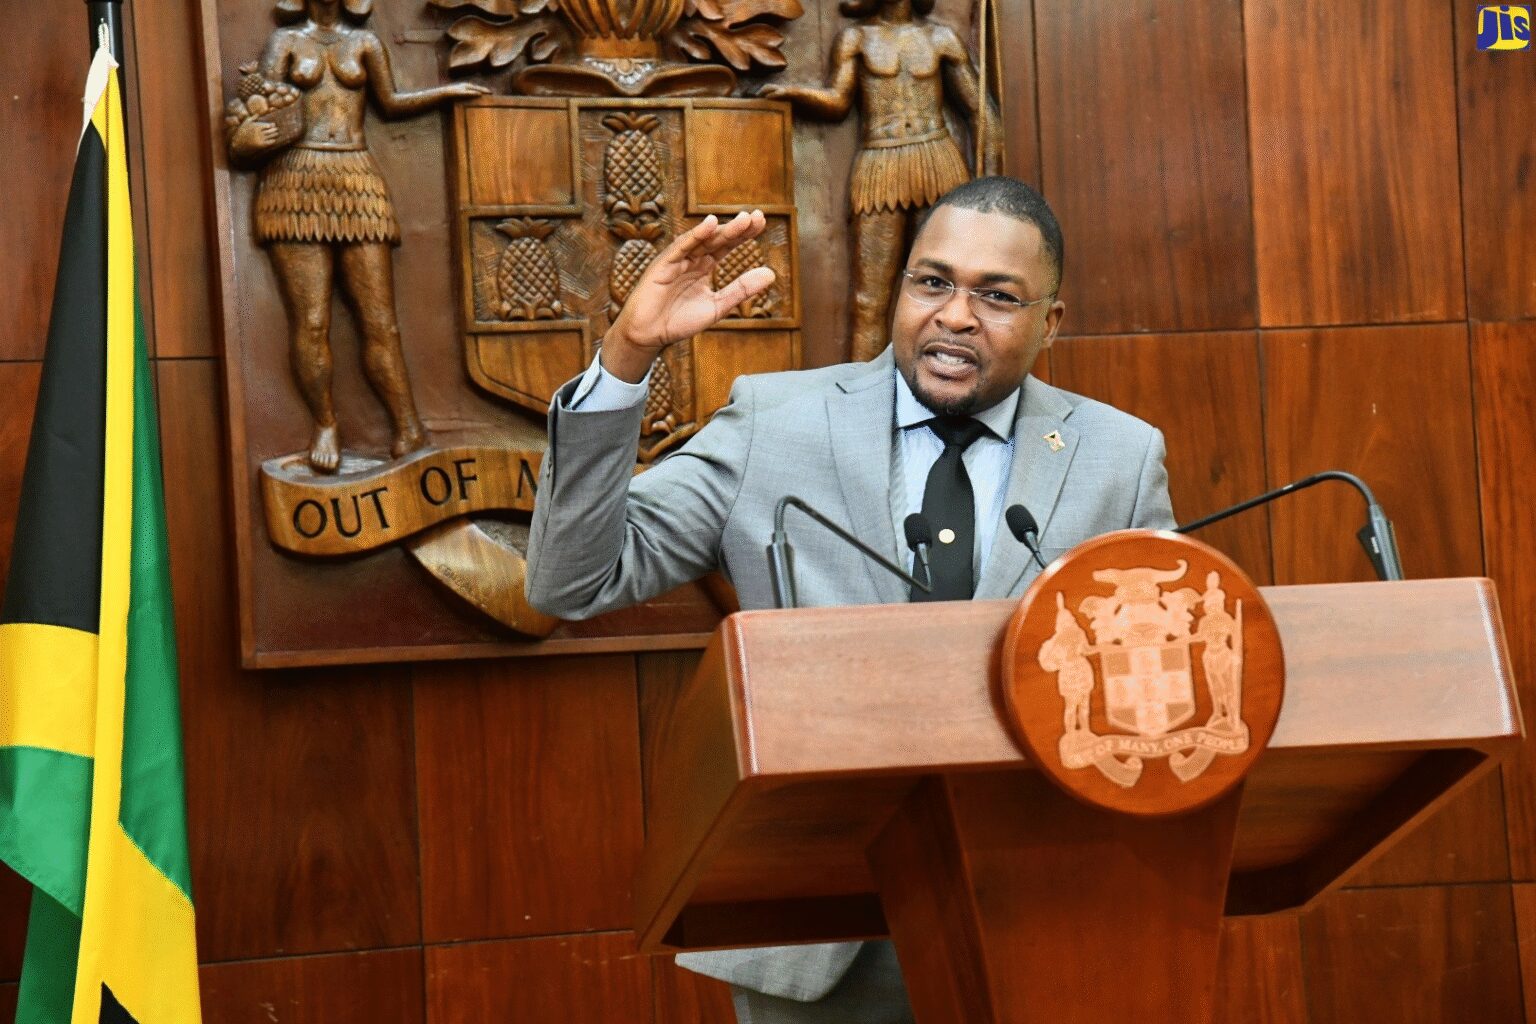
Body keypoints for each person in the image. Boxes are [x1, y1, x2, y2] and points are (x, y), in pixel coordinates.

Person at [525, 175, 1174, 1023]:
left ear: (1051, 322)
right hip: (817, 921)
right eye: (933, 282)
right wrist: (625, 358)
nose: (955, 315)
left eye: (997, 296)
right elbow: (570, 581)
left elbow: (1164, 683)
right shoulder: (775, 424)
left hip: (1039, 913)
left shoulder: (1119, 459)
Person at [229, 0, 487, 472]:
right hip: (295, 180)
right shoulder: (284, 42)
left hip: (355, 177)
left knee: (381, 321)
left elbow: (391, 104)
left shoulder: (364, 42)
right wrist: (247, 140)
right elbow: (259, 108)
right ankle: (326, 421)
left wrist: (446, 93)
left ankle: (408, 426)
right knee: (311, 321)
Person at [761, 0, 1003, 363]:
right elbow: (838, 101)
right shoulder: (856, 38)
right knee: (869, 299)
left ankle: (949, 384)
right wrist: (793, 94)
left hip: (937, 163)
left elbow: (982, 116)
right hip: (882, 166)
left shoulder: (941, 39)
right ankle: (863, 398)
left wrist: (989, 195)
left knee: (950, 291)